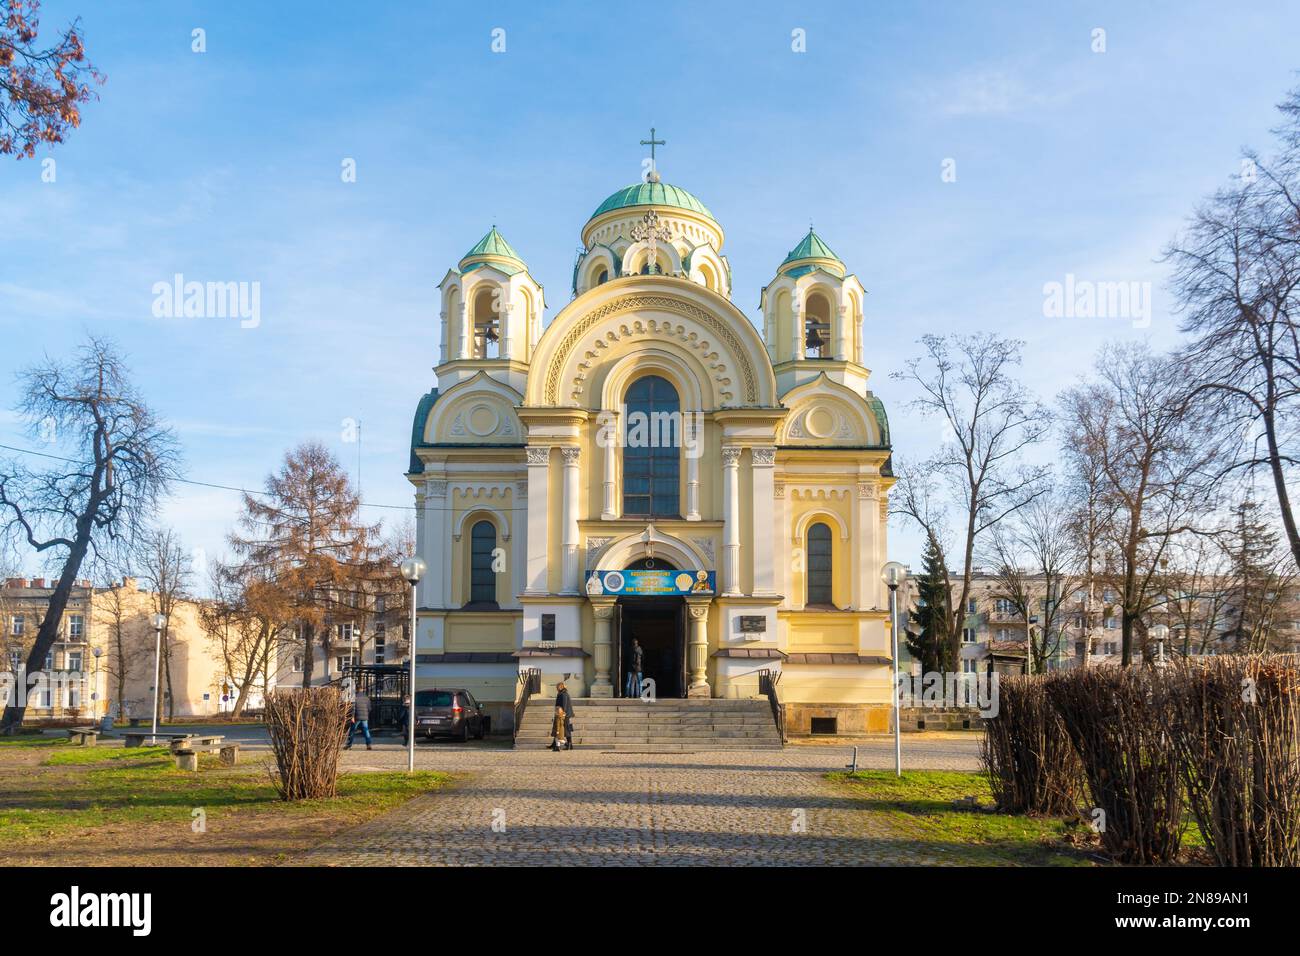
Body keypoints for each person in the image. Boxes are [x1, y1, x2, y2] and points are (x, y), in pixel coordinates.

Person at [550, 681, 574, 751]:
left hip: (564, 714)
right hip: (561, 712)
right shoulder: (561, 693)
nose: (556, 688)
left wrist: (562, 713)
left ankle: (569, 744)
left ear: (560, 687)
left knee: (566, 729)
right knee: (558, 728)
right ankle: (555, 744)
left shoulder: (564, 694)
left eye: (557, 687)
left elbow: (564, 704)